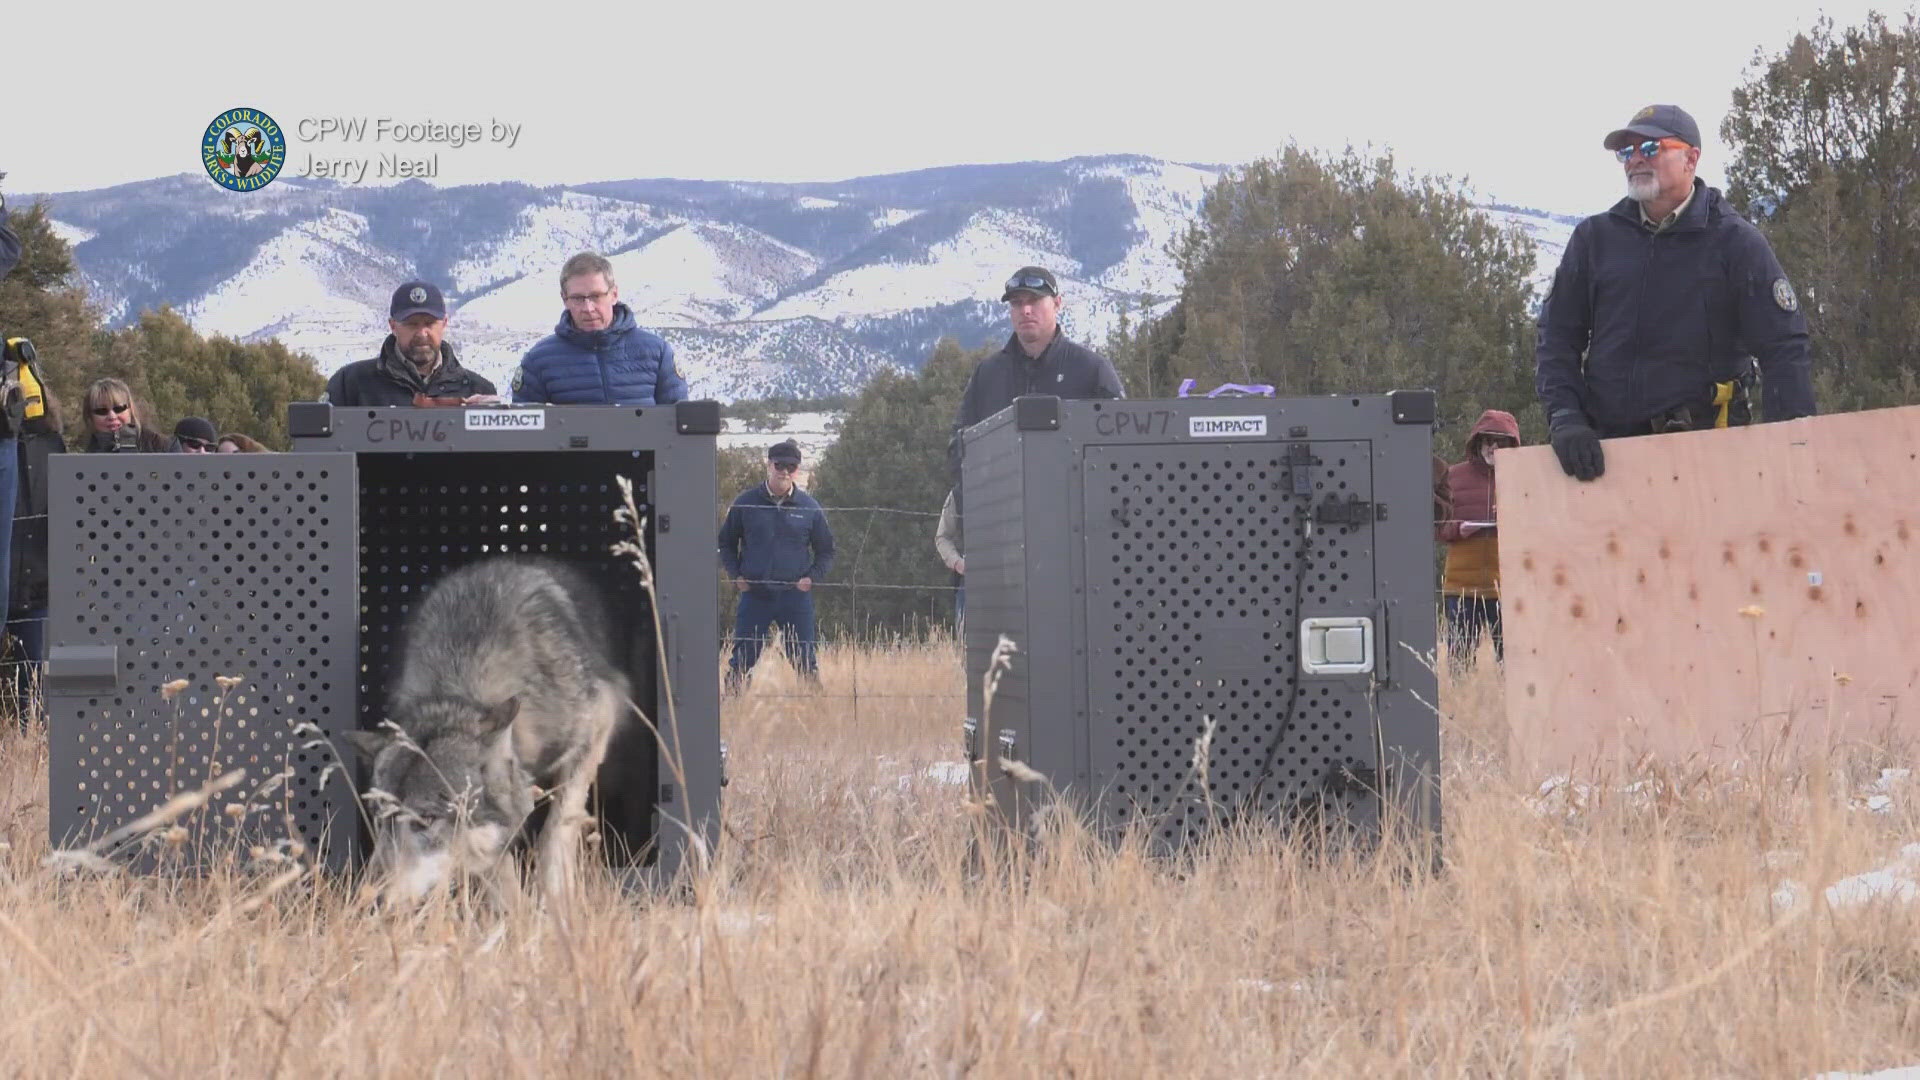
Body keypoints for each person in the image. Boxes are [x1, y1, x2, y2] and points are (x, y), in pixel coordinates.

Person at [1536, 104, 1817, 482]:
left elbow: (1784, 349)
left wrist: (1791, 450)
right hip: (1607, 461)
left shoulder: (1735, 242)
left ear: (1691, 158)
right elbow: (1556, 338)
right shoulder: (1594, 240)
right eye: (1627, 151)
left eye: (1651, 148)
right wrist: (1566, 418)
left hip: (1713, 458)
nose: (1635, 159)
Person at [949, 265, 1124, 477]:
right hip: (1000, 503)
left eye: (1034, 300)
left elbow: (1120, 447)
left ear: (1057, 303)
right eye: (1017, 303)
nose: (1026, 310)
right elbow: (959, 449)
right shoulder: (987, 375)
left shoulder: (1092, 370)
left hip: (1078, 504)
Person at [717, 439, 834, 691]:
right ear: (768, 465)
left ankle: (818, 713)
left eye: (791, 467)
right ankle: (732, 711)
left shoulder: (810, 508)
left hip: (794, 597)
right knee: (741, 661)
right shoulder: (745, 502)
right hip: (755, 595)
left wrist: (810, 579)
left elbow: (826, 551)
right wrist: (736, 575)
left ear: (797, 471)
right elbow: (726, 543)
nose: (784, 471)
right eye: (779, 465)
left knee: (805, 661)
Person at [513, 252, 688, 406]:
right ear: (564, 299)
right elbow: (525, 433)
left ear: (614, 294)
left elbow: (678, 423)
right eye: (578, 298)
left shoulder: (657, 353)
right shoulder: (539, 361)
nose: (588, 308)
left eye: (596, 296)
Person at [1435, 410, 1520, 670]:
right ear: (1477, 444)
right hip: (1462, 586)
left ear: (1511, 445)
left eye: (1501, 442)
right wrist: (1459, 530)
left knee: (1514, 663)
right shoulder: (1452, 476)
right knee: (1460, 661)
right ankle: (1462, 707)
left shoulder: (1525, 478)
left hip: (1509, 587)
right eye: (1487, 441)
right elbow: (1436, 526)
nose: (1493, 448)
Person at [323, 281, 497, 407]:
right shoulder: (350, 383)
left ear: (444, 324)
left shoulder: (478, 390)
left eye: (429, 323)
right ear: (393, 326)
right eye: (411, 324)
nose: (422, 334)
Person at [8, 378, 64, 723]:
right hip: (13, 577)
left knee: (36, 686)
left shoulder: (52, 445)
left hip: (38, 583)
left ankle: (34, 751)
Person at [79, 379, 168, 452]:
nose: (112, 416)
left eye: (118, 409)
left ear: (130, 410)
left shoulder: (164, 447)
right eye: (102, 411)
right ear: (90, 417)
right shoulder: (83, 458)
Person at [934, 488, 963, 629]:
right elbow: (942, 537)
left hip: (1010, 580)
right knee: (968, 644)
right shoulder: (958, 494)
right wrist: (957, 562)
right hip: (968, 581)